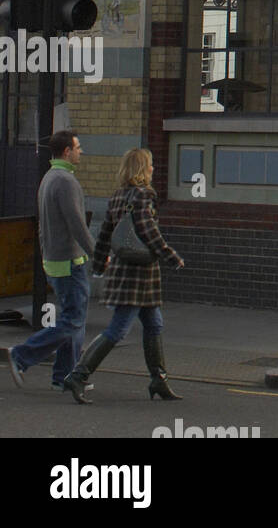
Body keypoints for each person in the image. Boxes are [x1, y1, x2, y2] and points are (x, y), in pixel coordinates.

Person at [62, 148, 186, 404]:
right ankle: (78, 375)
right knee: (118, 329)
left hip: (124, 271)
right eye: (150, 165)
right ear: (142, 168)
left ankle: (158, 380)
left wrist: (98, 266)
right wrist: (171, 255)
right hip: (137, 275)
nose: (153, 169)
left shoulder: (118, 196)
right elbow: (149, 231)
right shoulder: (143, 195)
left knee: (154, 324)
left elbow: (106, 233)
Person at [5, 131, 95, 393]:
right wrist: (98, 253)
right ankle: (21, 355)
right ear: (67, 151)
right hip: (69, 261)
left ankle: (64, 377)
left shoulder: (48, 178)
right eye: (78, 147)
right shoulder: (66, 181)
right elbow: (77, 224)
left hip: (55, 259)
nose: (81, 151)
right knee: (73, 321)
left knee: (72, 318)